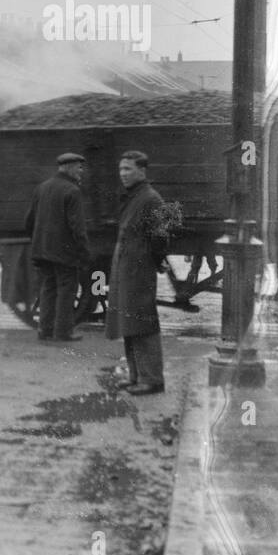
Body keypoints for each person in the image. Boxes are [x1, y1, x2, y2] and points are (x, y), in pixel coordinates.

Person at [106, 151, 167, 395]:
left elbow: (161, 237)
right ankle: (136, 376)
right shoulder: (135, 197)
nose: (123, 174)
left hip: (139, 270)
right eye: (121, 169)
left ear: (142, 171)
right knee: (129, 324)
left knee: (143, 323)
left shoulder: (151, 199)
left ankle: (152, 379)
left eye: (128, 169)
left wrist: (153, 262)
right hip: (126, 268)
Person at [24, 153, 91, 342]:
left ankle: (44, 330)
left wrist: (38, 241)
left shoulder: (42, 188)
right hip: (65, 252)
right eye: (79, 167)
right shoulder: (72, 191)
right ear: (68, 167)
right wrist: (84, 252)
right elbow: (77, 227)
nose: (81, 171)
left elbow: (28, 221)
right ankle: (62, 333)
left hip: (43, 250)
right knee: (67, 290)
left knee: (48, 288)